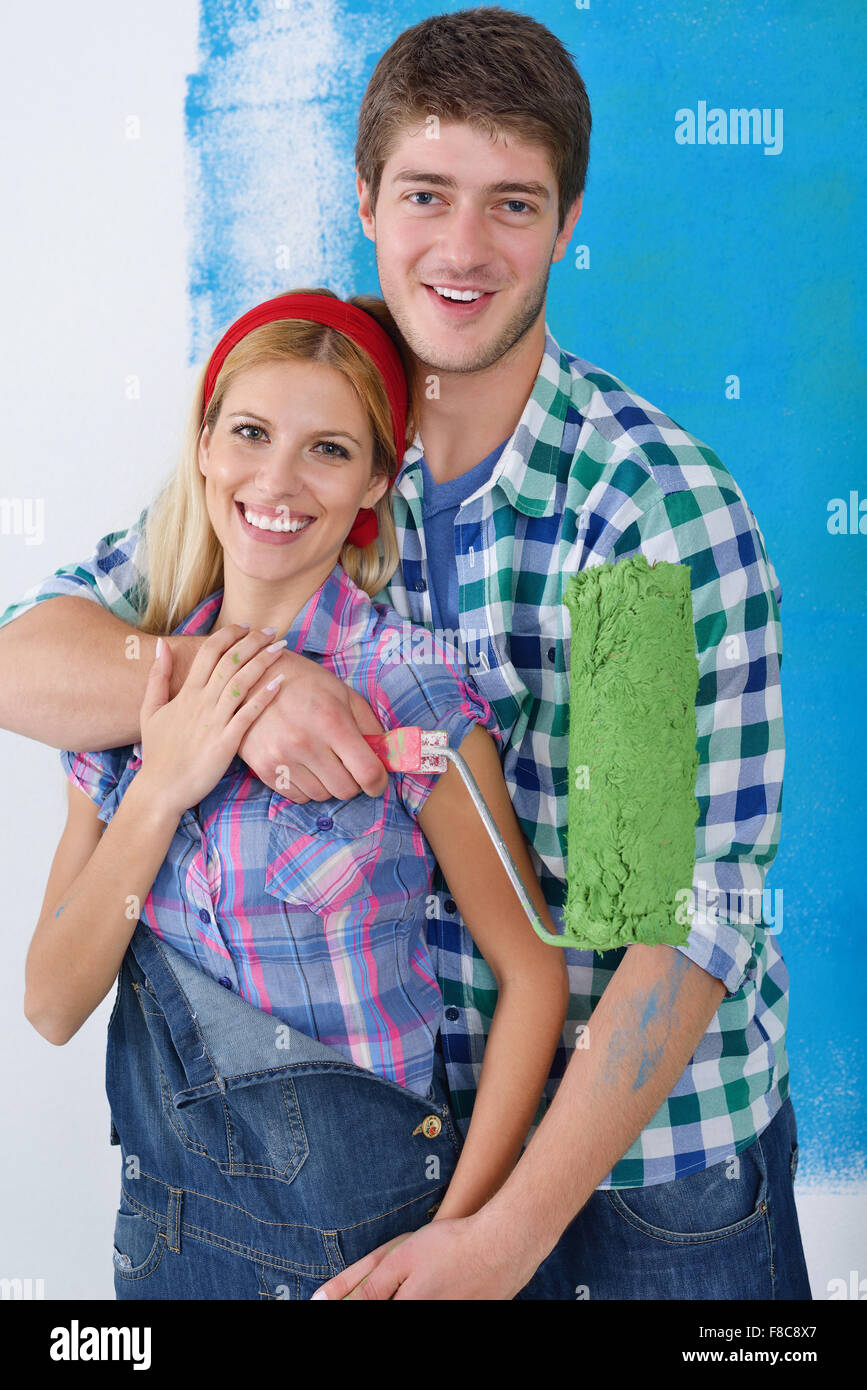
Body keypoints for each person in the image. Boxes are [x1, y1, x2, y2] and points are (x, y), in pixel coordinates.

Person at [0, 7, 810, 1299]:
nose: (463, 247)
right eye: (427, 192)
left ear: (566, 220)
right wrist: (246, 695)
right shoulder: (303, 445)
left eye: (513, 205)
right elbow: (28, 661)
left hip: (633, 1184)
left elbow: (672, 927)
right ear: (366, 198)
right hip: (382, 1171)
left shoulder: (632, 522)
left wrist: (499, 1237)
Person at [20, 287, 569, 1299]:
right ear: (203, 446)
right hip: (170, 1244)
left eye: (327, 448)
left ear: (375, 481)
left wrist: (457, 1243)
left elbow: (533, 972)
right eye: (252, 432)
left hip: (366, 1244)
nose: (277, 479)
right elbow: (51, 1002)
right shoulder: (128, 678)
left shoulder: (407, 687)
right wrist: (165, 783)